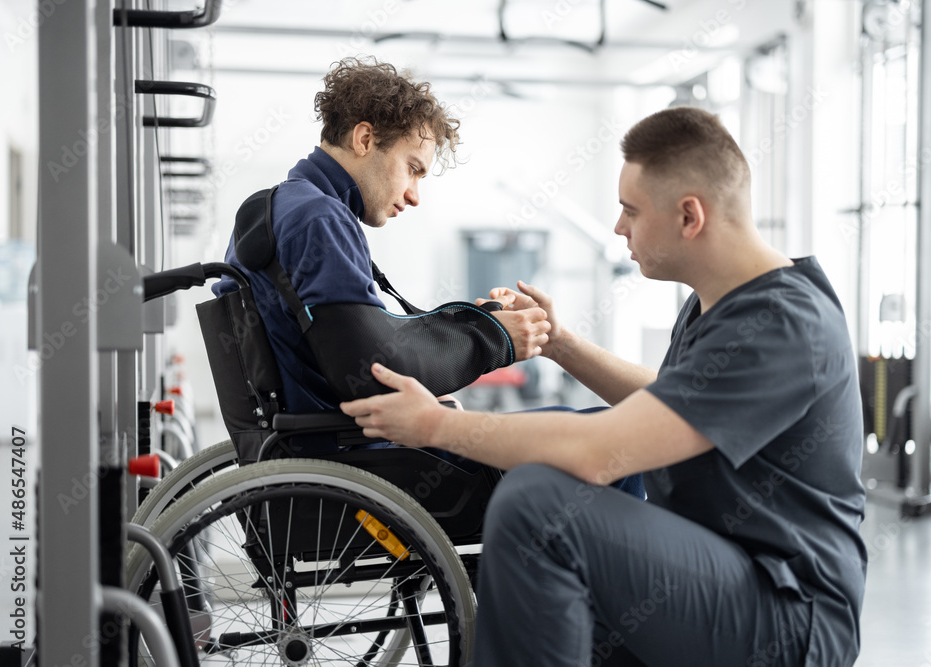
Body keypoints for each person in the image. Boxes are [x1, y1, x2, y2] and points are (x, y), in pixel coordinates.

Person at [340, 107, 867, 666]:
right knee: (555, 454)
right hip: (718, 573)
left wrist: (437, 426)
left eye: (631, 211)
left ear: (690, 216)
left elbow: (601, 453)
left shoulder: (783, 324)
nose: (619, 228)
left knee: (541, 503)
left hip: (788, 616)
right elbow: (666, 405)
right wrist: (561, 341)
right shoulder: (720, 300)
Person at [212, 57, 550, 423]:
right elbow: (375, 371)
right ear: (365, 139)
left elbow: (368, 339)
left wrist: (481, 321)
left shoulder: (282, 205)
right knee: (559, 434)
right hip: (346, 452)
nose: (415, 195)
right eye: (413, 169)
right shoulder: (319, 218)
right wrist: (497, 341)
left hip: (310, 440)